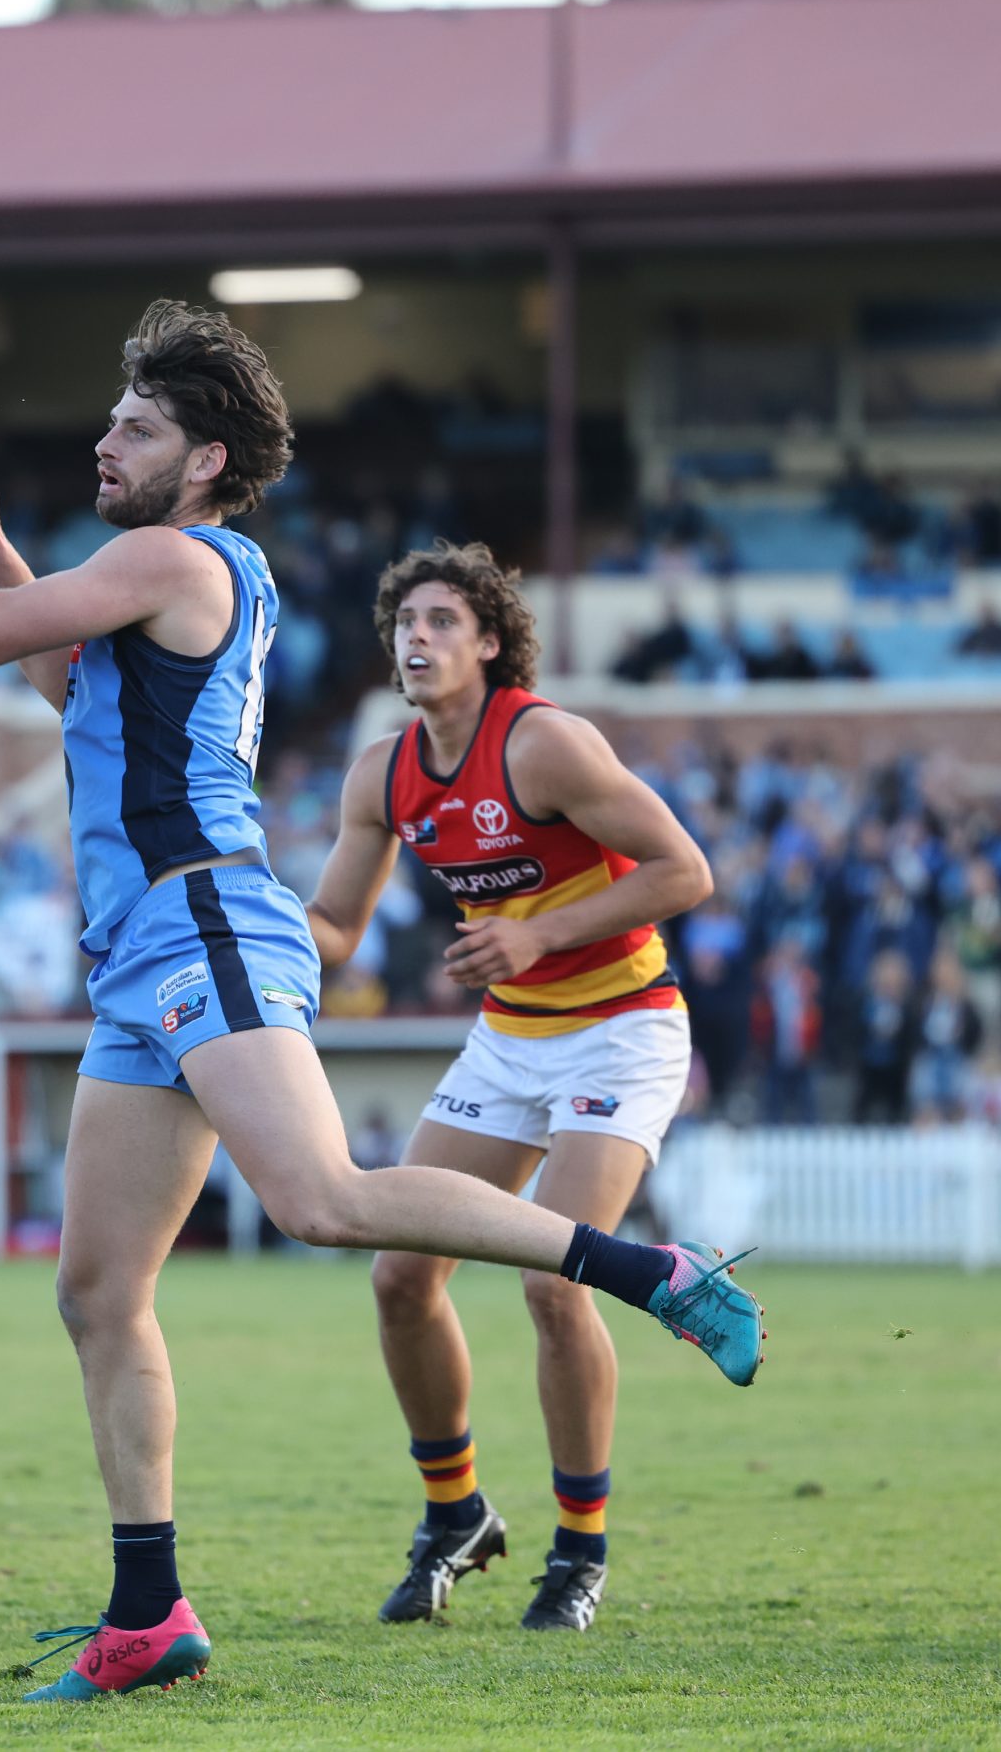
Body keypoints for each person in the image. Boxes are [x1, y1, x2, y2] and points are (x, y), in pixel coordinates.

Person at [0, 301, 765, 1702]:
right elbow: (53, 659)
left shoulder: (171, 555)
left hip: (198, 916)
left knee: (323, 1201)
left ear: (203, 461)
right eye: (111, 418)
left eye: (136, 426)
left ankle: (647, 1274)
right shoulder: (186, 573)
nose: (105, 440)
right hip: (144, 949)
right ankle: (150, 1615)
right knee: (98, 1289)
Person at [297, 541, 716, 1633]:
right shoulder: (381, 774)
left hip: (621, 1032)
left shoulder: (543, 743)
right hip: (510, 1041)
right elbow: (334, 928)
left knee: (553, 1282)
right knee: (399, 1276)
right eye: (405, 621)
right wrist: (237, 914)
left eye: (442, 620)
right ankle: (456, 1515)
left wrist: (538, 934)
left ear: (489, 643)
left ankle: (580, 1550)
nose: (417, 637)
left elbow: (684, 870)